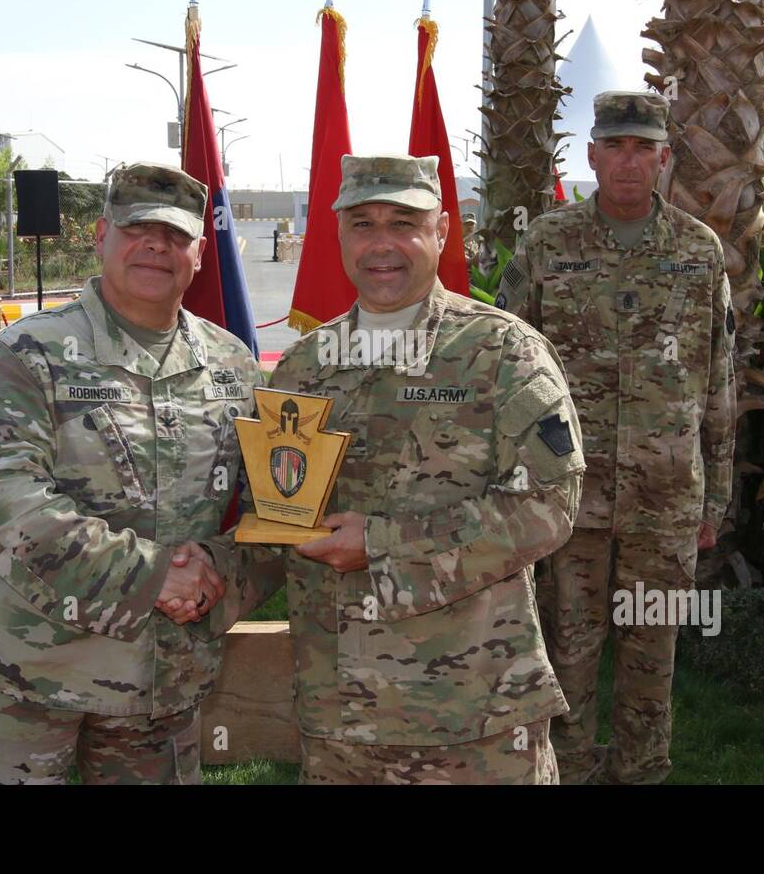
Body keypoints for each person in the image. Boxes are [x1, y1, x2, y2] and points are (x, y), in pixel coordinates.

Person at [193, 154, 585, 784]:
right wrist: (204, 576)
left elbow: (549, 504)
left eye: (404, 222)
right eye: (363, 223)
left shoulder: (501, 352)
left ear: (443, 231)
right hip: (338, 718)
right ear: (339, 235)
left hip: (473, 718)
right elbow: (282, 521)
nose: (382, 245)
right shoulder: (305, 367)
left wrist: (379, 545)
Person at [0, 161, 279, 784]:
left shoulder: (232, 365)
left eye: (176, 235)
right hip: (30, 677)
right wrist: (154, 577)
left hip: (161, 688)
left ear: (200, 254)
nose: (157, 245)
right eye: (137, 229)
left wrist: (217, 573)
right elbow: (3, 500)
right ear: (100, 237)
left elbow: (276, 509)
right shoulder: (30, 353)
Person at [495, 91, 736, 784]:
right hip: (568, 496)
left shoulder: (698, 251)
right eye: (615, 146)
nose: (629, 161)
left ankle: (642, 772)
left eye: (643, 148)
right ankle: (565, 773)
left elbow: (718, 381)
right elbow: (507, 368)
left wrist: (713, 503)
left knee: (651, 653)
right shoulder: (548, 243)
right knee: (567, 651)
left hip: (665, 499)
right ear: (593, 155)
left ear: (664, 159)